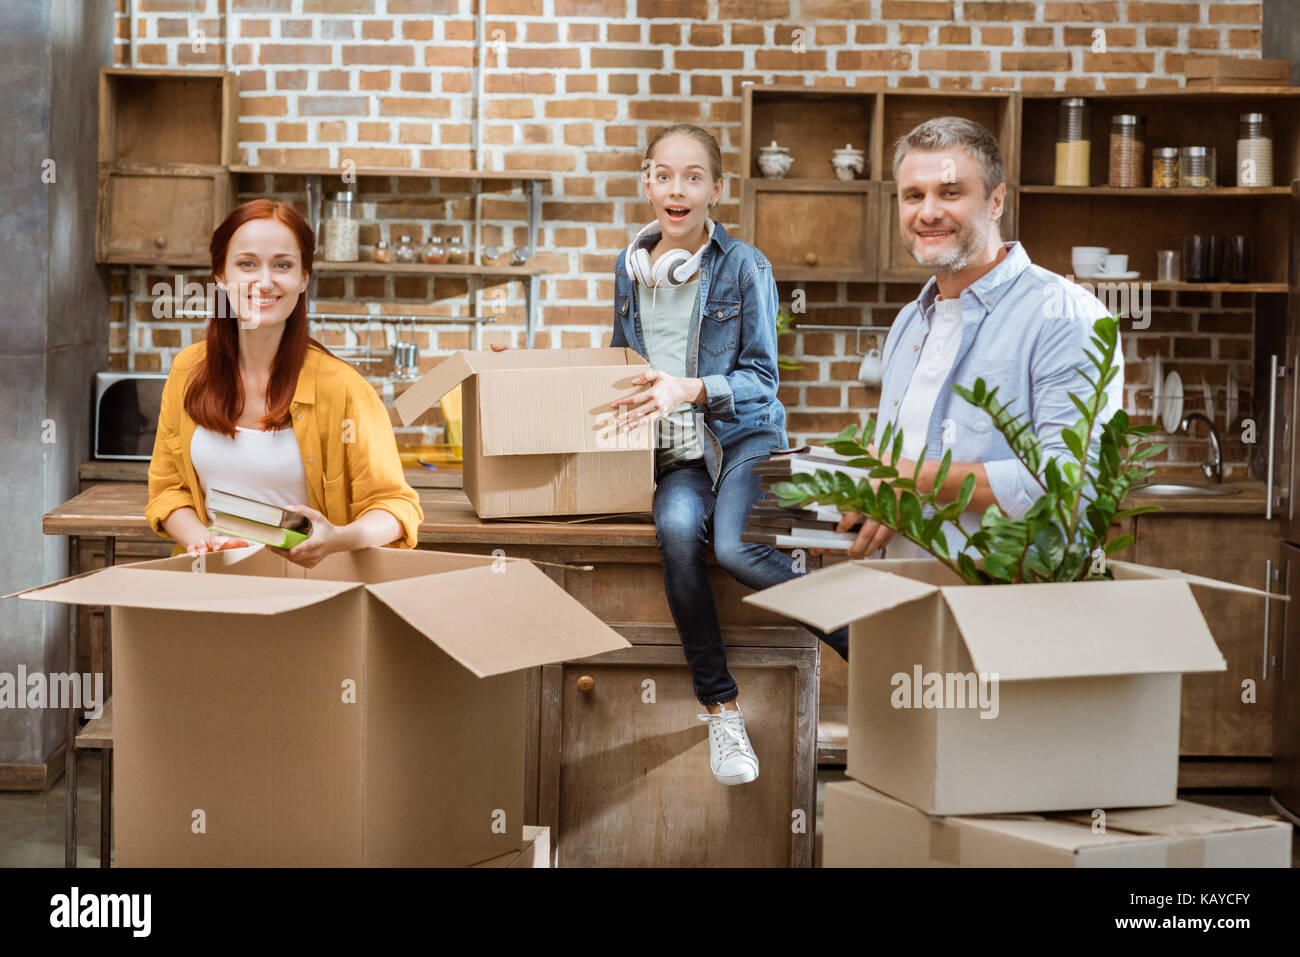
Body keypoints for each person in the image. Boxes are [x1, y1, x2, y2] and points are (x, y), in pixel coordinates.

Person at [609, 124, 850, 786]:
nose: (677, 189)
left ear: (718, 187)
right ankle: (721, 706)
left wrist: (690, 387)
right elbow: (618, 366)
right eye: (663, 174)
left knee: (738, 547)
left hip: (744, 436)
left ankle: (867, 641)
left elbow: (762, 381)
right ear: (647, 182)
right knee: (679, 527)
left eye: (693, 176)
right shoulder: (629, 270)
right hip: (678, 454)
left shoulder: (745, 266)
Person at [826, 116, 1123, 559]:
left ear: (996, 200)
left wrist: (911, 478)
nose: (928, 212)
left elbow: (1074, 486)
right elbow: (896, 470)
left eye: (950, 192)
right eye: (913, 196)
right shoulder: (909, 321)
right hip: (892, 594)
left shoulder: (1065, 315)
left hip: (1000, 604)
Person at [147, 199, 423, 569]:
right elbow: (169, 490)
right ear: (221, 277)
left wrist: (338, 538)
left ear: (303, 278)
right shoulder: (188, 370)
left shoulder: (343, 388)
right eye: (247, 264)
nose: (264, 281)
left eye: (283, 265)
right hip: (209, 585)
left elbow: (396, 506)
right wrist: (204, 541)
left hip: (314, 593)